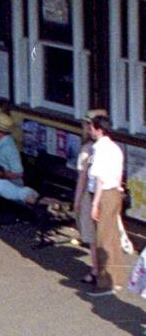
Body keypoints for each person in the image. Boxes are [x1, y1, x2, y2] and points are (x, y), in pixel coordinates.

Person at [86, 114, 131, 294]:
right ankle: (118, 278)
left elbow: (100, 179)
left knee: (103, 239)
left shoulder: (100, 149)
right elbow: (118, 176)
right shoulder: (115, 148)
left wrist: (95, 204)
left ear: (98, 129)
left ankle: (105, 282)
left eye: (91, 127)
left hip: (104, 194)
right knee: (112, 237)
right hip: (115, 193)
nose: (89, 130)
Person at [72, 111, 104, 286]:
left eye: (86, 125)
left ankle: (95, 270)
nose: (84, 129)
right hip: (100, 194)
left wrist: (76, 200)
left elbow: (83, 177)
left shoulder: (87, 149)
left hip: (88, 195)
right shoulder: (106, 146)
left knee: (91, 236)